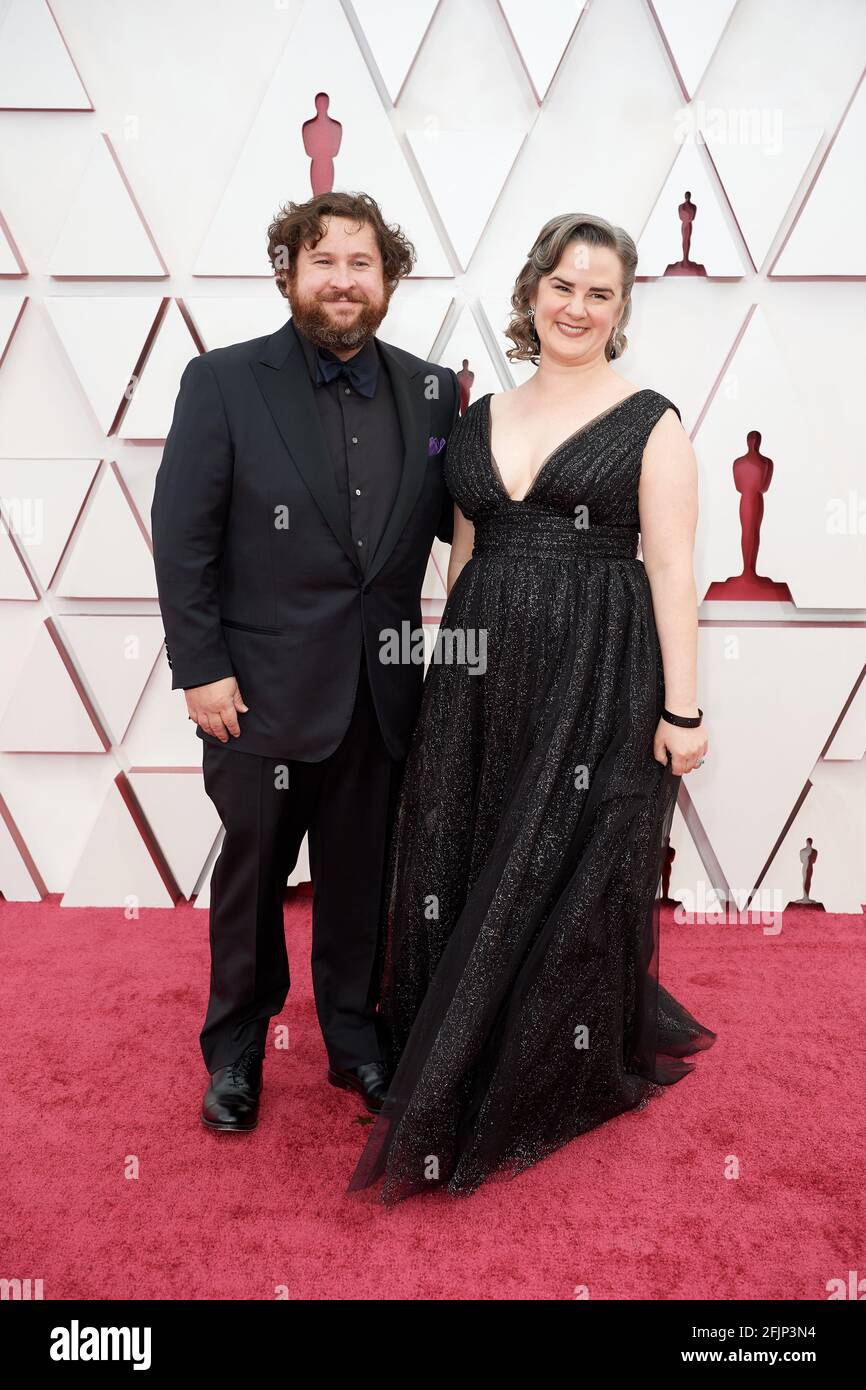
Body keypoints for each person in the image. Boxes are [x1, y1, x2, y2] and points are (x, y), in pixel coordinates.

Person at [348, 212, 717, 1205]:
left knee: (564, 855)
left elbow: (672, 569)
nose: (577, 306)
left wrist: (680, 711)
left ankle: (545, 1057)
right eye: (563, 284)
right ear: (532, 291)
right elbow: (466, 561)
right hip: (479, 671)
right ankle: (454, 1034)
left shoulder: (652, 420)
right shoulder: (476, 420)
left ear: (620, 308)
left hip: (596, 665)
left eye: (600, 292)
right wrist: (446, 684)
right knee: (466, 850)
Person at [150, 191, 459, 1131]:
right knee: (252, 886)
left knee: (363, 883)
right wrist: (201, 669)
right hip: (257, 696)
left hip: (381, 693)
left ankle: (356, 1049)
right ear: (289, 274)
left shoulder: (436, 389)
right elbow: (182, 534)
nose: (342, 280)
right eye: (322, 261)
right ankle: (236, 1055)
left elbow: (463, 523)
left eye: (362, 264)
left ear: (389, 281)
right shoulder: (224, 381)